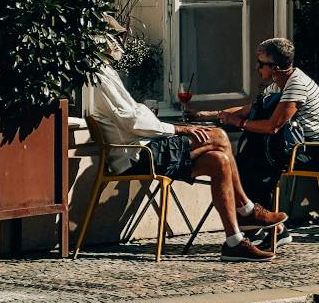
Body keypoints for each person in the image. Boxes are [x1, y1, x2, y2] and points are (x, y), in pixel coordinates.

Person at [83, 39, 283, 259]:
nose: (119, 46)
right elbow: (132, 122)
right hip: (136, 156)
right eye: (116, 40)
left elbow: (133, 117)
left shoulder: (105, 71)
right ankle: (246, 210)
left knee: (219, 161)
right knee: (219, 135)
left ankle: (234, 241)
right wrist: (179, 129)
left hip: (143, 148)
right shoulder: (98, 75)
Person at [212, 38, 319, 230]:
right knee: (244, 161)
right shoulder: (279, 83)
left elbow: (273, 127)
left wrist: (239, 123)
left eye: (261, 64)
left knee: (256, 166)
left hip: (316, 152)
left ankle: (266, 228)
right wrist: (216, 115)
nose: (257, 68)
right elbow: (250, 108)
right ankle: (262, 226)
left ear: (276, 67)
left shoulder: (296, 84)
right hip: (295, 145)